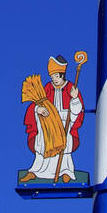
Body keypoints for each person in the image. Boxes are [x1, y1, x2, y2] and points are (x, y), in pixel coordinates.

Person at [21, 55, 84, 184]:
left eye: (56, 76)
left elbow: (78, 110)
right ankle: (35, 171)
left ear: (62, 75)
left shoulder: (70, 88)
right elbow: (35, 104)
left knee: (65, 144)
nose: (54, 79)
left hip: (65, 122)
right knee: (42, 141)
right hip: (48, 125)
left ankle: (66, 171)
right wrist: (37, 109)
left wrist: (74, 98)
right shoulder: (47, 88)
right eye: (52, 77)